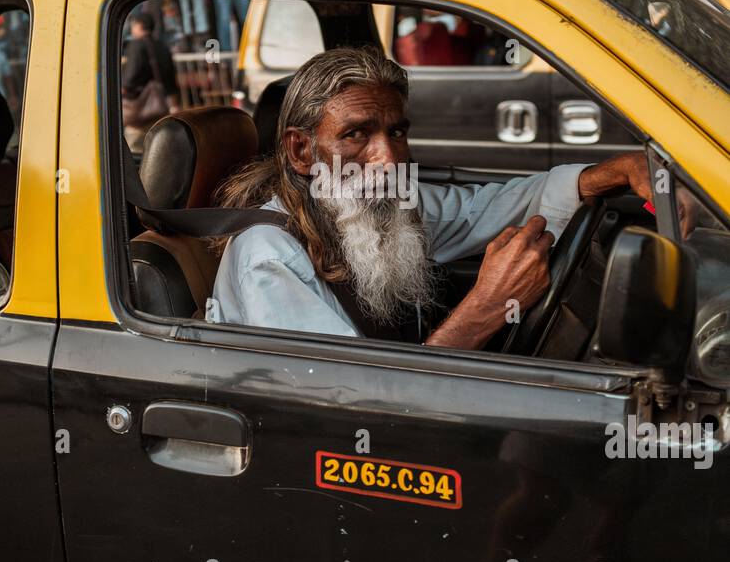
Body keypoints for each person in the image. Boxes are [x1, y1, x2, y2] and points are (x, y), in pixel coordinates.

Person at [210, 46, 665, 348]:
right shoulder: (268, 256)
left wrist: (614, 172)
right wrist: (486, 308)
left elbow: (482, 210)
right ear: (301, 150)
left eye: (397, 132)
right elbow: (345, 405)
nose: (387, 159)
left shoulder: (384, 208)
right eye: (356, 134)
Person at [121, 11, 179, 151]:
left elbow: (130, 79)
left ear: (139, 26)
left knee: (136, 151)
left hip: (139, 114)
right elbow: (171, 80)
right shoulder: (162, 46)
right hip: (160, 110)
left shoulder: (136, 46)